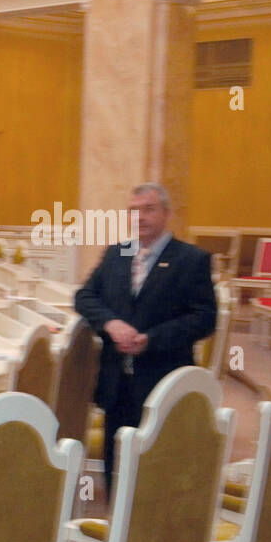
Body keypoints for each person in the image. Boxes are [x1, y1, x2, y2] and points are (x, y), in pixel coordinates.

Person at [74, 183, 216, 497]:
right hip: (116, 384)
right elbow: (84, 296)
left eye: (148, 209)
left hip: (161, 381)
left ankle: (150, 540)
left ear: (166, 213)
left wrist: (151, 339)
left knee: (158, 469)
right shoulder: (118, 253)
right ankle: (115, 538)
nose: (140, 217)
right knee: (116, 464)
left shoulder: (190, 259)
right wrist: (110, 323)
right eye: (133, 210)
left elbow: (205, 318)